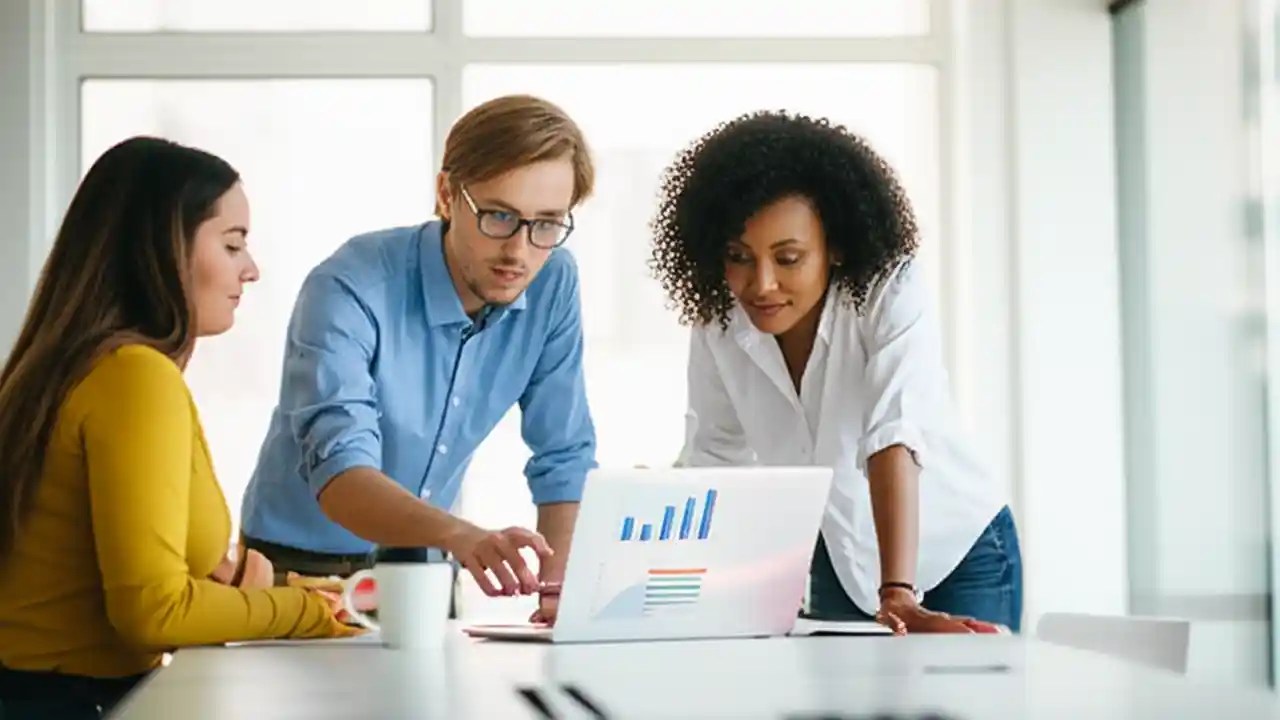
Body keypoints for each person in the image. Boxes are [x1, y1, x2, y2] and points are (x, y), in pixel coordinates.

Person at [0, 136, 353, 720]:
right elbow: (153, 613)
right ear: (161, 250)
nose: (252, 269)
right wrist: (303, 611)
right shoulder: (136, 378)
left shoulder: (71, 369)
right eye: (232, 243)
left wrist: (246, 582)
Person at [652, 111, 1023, 634]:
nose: (761, 284)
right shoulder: (719, 319)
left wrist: (898, 594)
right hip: (840, 552)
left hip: (958, 554)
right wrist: (655, 564)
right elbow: (715, 456)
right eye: (738, 256)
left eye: (788, 258)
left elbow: (893, 432)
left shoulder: (887, 290)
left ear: (836, 247)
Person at [238, 94, 597, 624]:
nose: (520, 252)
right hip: (296, 568)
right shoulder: (350, 286)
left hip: (427, 568)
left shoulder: (553, 281)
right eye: (499, 216)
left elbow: (564, 454)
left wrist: (560, 594)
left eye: (546, 223)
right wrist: (462, 536)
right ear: (447, 195)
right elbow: (341, 472)